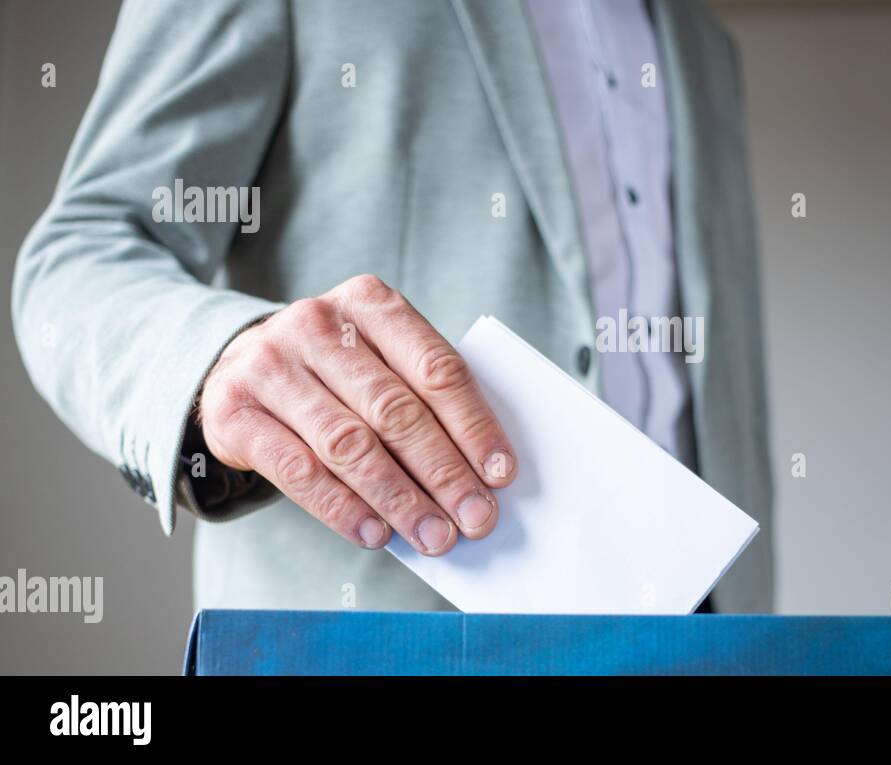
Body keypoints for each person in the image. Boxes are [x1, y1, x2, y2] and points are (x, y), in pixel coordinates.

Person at [12, 0, 774, 613]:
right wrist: (221, 354)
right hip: (381, 634)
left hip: (704, 627)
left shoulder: (705, 43)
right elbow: (81, 247)